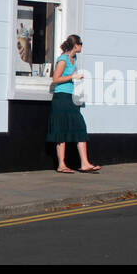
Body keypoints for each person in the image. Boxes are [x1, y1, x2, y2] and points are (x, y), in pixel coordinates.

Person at [47, 34, 100, 173]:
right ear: (75, 45)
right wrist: (73, 76)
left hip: (70, 97)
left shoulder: (73, 58)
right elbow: (55, 79)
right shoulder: (63, 60)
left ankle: (84, 163)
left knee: (80, 127)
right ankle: (61, 165)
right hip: (61, 98)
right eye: (80, 43)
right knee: (61, 130)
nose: (82, 46)